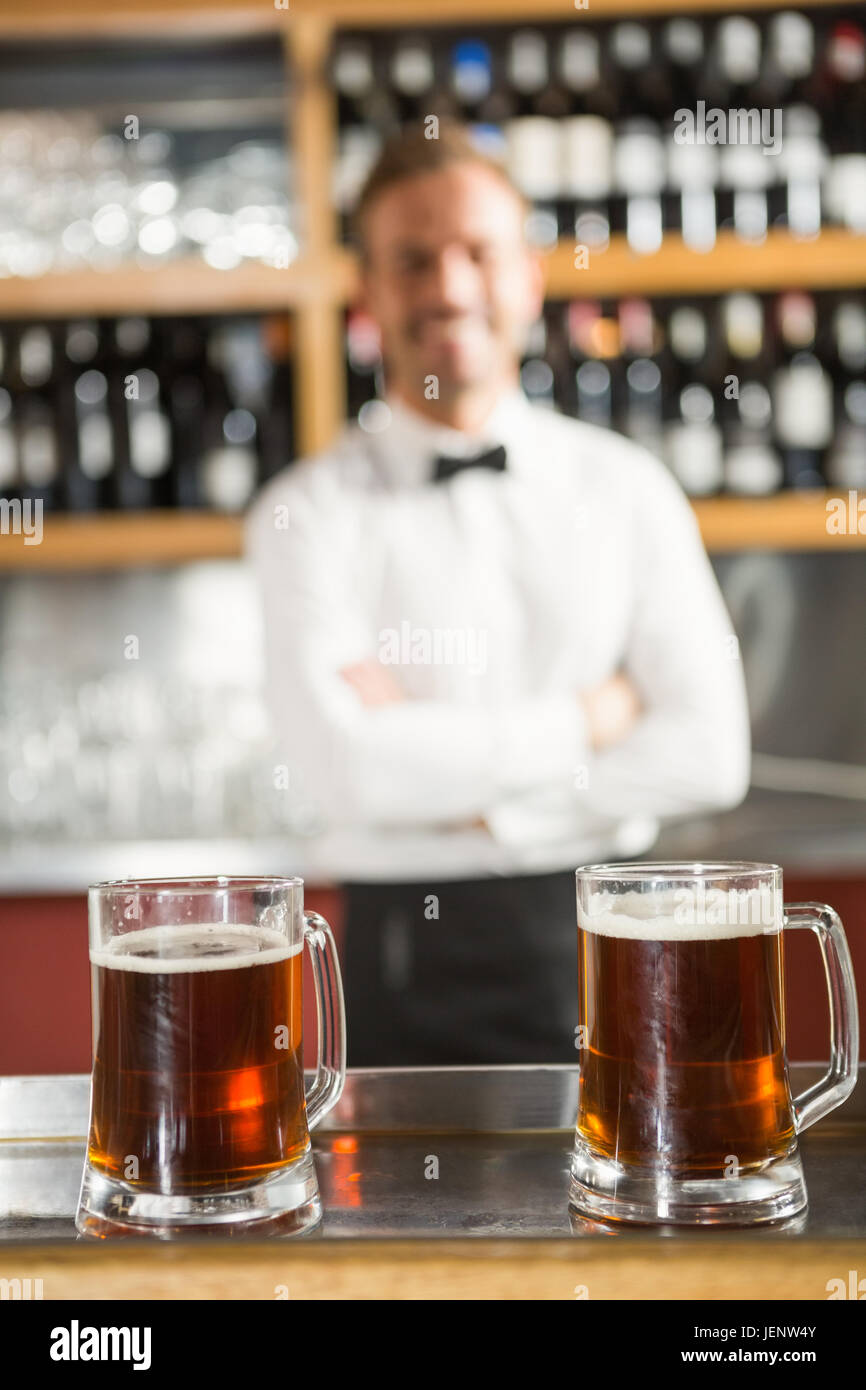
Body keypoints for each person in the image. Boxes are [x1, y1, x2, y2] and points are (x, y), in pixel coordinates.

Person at [246, 124, 750, 1066]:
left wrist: (468, 796)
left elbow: (711, 754)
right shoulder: (299, 515)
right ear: (367, 293)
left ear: (529, 277)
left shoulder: (628, 486)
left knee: (635, 1198)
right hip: (406, 955)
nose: (448, 286)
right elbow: (343, 773)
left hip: (622, 929)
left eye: (477, 252)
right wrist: (587, 720)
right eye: (412, 260)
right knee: (408, 1210)